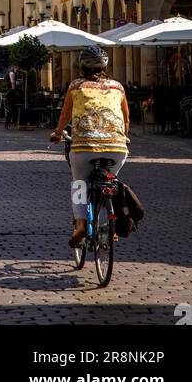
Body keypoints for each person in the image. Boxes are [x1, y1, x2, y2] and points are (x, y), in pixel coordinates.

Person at [51, 45, 130, 249]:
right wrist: (123, 137)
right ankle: (110, 223)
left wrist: (58, 133)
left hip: (83, 148)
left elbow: (65, 114)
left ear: (81, 66)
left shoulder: (76, 86)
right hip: (117, 149)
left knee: (79, 183)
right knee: (111, 182)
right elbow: (126, 118)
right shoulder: (118, 87)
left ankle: (80, 225)